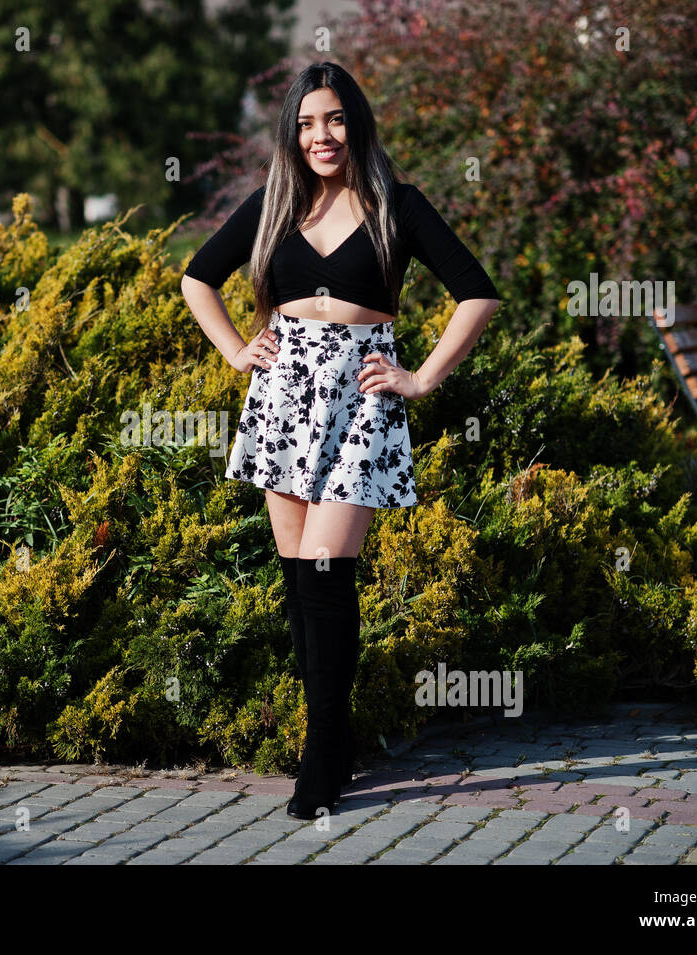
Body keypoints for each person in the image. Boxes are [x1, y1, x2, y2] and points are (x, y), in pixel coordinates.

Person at [180, 61, 501, 820]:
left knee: (326, 576)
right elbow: (198, 278)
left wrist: (420, 378)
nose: (320, 135)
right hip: (283, 396)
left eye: (332, 119)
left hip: (361, 401)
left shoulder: (398, 205)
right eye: (305, 124)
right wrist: (235, 350)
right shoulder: (275, 204)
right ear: (291, 134)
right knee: (299, 583)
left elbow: (477, 293)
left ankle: (322, 755)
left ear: (356, 122)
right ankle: (333, 735)